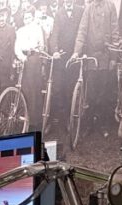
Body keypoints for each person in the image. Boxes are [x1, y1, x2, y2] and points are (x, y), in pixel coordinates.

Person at [74, 0, 119, 137]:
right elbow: (82, 31)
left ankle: (102, 124)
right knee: (91, 92)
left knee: (104, 92)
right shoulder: (88, 9)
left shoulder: (110, 6)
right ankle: (89, 124)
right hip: (92, 58)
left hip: (105, 56)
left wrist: (113, 57)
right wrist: (77, 51)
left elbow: (115, 32)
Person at [49, 0, 82, 130]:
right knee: (58, 89)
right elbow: (54, 35)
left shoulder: (80, 10)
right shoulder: (59, 13)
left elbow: (82, 33)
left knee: (71, 89)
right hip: (61, 57)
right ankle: (60, 119)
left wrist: (78, 52)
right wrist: (55, 50)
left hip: (75, 57)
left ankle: (71, 119)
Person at [15, 6, 47, 131]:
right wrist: (21, 56)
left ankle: (35, 122)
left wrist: (36, 52)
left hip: (34, 61)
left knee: (35, 91)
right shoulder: (20, 31)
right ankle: (24, 120)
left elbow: (42, 46)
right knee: (24, 90)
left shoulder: (38, 29)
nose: (27, 20)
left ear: (32, 18)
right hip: (24, 60)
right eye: (25, 18)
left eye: (29, 17)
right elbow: (16, 47)